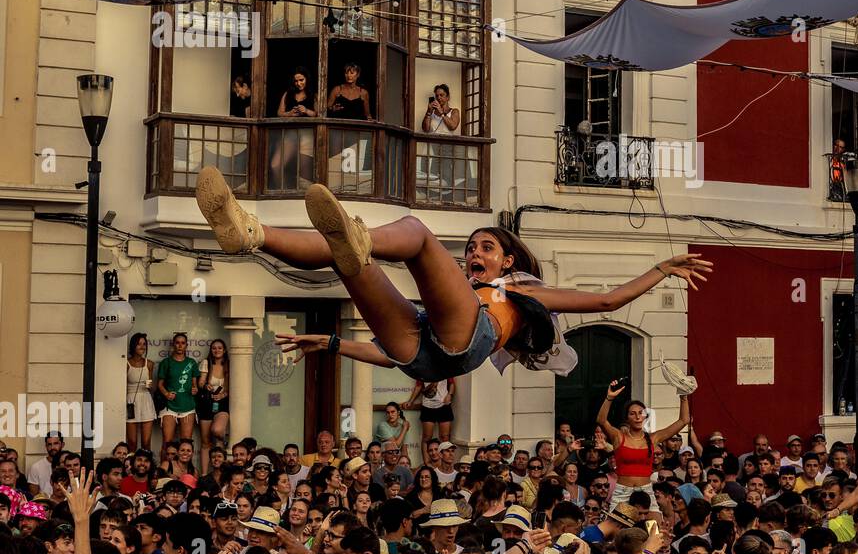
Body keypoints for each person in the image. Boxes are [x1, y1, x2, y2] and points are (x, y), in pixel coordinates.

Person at [194, 167, 711, 393]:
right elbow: (392, 355)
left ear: (510, 261)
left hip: (469, 339)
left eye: (486, 247)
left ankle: (361, 238)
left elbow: (605, 301)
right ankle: (251, 233)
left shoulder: (520, 288)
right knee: (344, 259)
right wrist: (332, 343)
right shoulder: (461, 296)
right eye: (471, 248)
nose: (473, 253)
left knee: (417, 233)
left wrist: (661, 269)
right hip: (424, 358)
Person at [597, 381, 691, 518]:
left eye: (640, 413)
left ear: (645, 416)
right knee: (617, 532)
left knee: (655, 527)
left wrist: (683, 396)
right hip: (623, 491)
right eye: (632, 414)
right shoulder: (618, 437)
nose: (637, 417)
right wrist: (609, 398)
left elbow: (683, 420)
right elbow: (601, 420)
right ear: (627, 418)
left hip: (646, 490)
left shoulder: (653, 438)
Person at [269, 68, 316, 186]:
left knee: (305, 171)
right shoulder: (288, 94)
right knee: (275, 165)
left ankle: (305, 196)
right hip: (290, 133)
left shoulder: (313, 95)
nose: (298, 83)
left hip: (307, 134)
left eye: (301, 80)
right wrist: (289, 114)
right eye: (296, 81)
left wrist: (306, 111)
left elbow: (319, 114)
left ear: (307, 79)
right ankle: (283, 190)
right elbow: (279, 113)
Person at [156, 333, 200, 448]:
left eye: (183, 343)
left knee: (186, 443)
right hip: (169, 406)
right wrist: (166, 394)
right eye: (177, 343)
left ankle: (184, 467)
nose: (180, 345)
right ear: (173, 345)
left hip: (188, 406)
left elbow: (195, 384)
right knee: (167, 443)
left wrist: (195, 389)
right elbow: (159, 384)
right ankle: (165, 466)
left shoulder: (191, 363)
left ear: (186, 345)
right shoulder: (166, 362)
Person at [197, 339, 231, 475]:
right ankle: (205, 474)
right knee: (206, 442)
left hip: (222, 403)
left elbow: (232, 386)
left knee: (217, 431)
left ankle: (221, 473)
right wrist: (206, 386)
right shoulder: (206, 363)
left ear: (224, 350)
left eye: (219, 348)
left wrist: (224, 395)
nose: (217, 350)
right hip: (207, 402)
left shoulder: (229, 365)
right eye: (214, 348)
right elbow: (200, 383)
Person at [124, 334, 157, 453]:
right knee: (132, 442)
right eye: (139, 344)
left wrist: (150, 386)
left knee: (146, 442)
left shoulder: (149, 364)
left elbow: (152, 387)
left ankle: (147, 467)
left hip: (146, 400)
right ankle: (131, 468)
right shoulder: (125, 363)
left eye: (144, 344)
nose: (142, 347)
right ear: (133, 345)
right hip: (131, 401)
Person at [405, 378, 455, 447]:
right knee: (426, 438)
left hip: (444, 405)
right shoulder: (422, 369)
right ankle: (426, 458)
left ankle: (443, 457)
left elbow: (451, 383)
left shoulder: (445, 368)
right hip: (428, 406)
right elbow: (418, 386)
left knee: (445, 437)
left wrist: (450, 394)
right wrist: (410, 401)